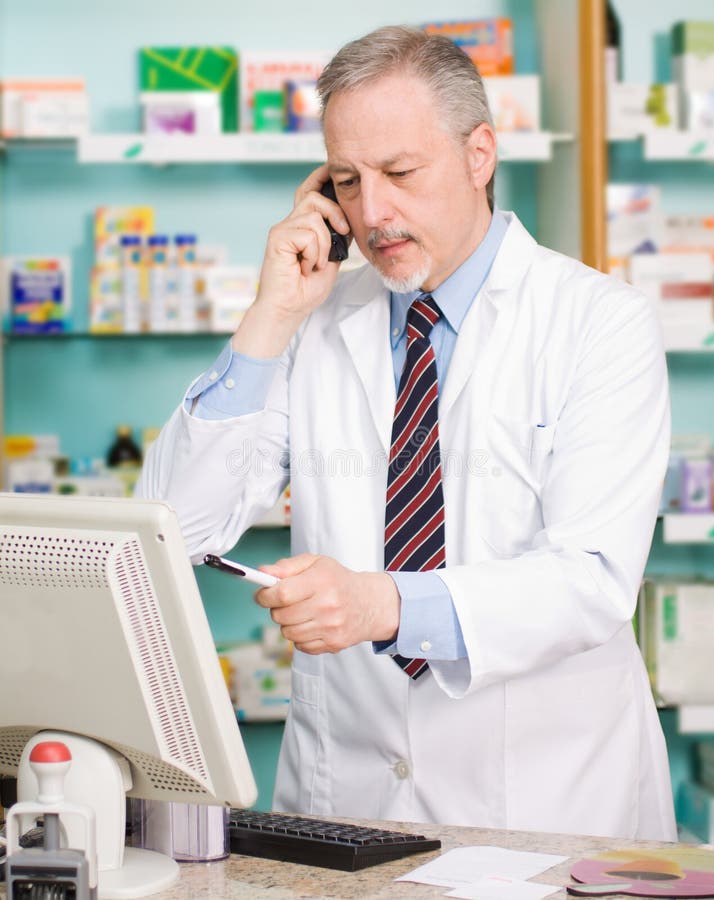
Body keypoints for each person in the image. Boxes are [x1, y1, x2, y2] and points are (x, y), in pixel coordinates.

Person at [138, 25, 677, 841]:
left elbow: (592, 578)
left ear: (478, 155)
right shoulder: (315, 325)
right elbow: (175, 528)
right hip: (348, 797)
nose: (373, 211)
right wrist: (270, 316)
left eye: (399, 172)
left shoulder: (598, 322)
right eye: (347, 182)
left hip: (547, 800)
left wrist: (383, 603)